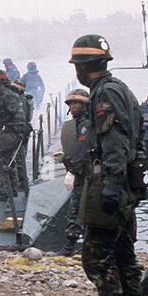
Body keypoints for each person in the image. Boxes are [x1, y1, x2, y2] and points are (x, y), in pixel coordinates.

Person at [69, 34, 148, 296]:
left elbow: (114, 143)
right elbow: (138, 136)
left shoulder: (103, 95)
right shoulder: (122, 91)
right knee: (124, 251)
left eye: (77, 65)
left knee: (96, 256)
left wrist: (112, 186)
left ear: (84, 67)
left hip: (108, 182)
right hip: (127, 181)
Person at [0, 68, 30, 202]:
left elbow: (18, 112)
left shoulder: (6, 94)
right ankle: (12, 189)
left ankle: (3, 192)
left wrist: (20, 130)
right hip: (8, 131)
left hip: (9, 132)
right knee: (9, 161)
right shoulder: (5, 92)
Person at [58, 89, 91, 255]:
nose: (72, 107)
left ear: (85, 104)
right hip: (80, 172)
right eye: (70, 104)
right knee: (76, 208)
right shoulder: (76, 124)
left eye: (75, 103)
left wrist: (74, 170)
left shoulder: (89, 124)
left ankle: (75, 247)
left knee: (82, 209)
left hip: (90, 173)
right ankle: (72, 246)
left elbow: (85, 151)